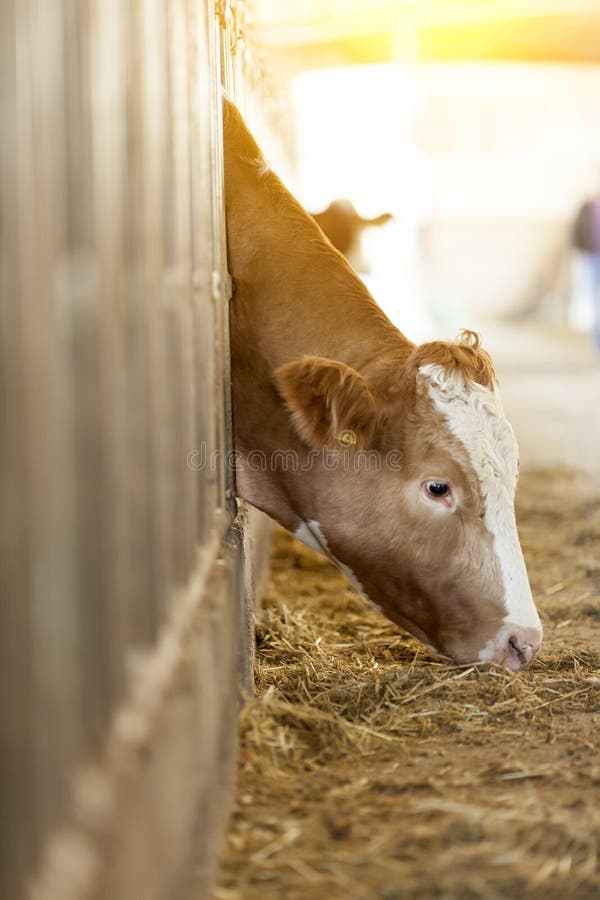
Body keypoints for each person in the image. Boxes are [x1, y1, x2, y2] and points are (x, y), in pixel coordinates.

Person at [572, 194, 600, 351]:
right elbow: (578, 229)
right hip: (592, 257)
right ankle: (596, 340)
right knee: (594, 300)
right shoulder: (588, 206)